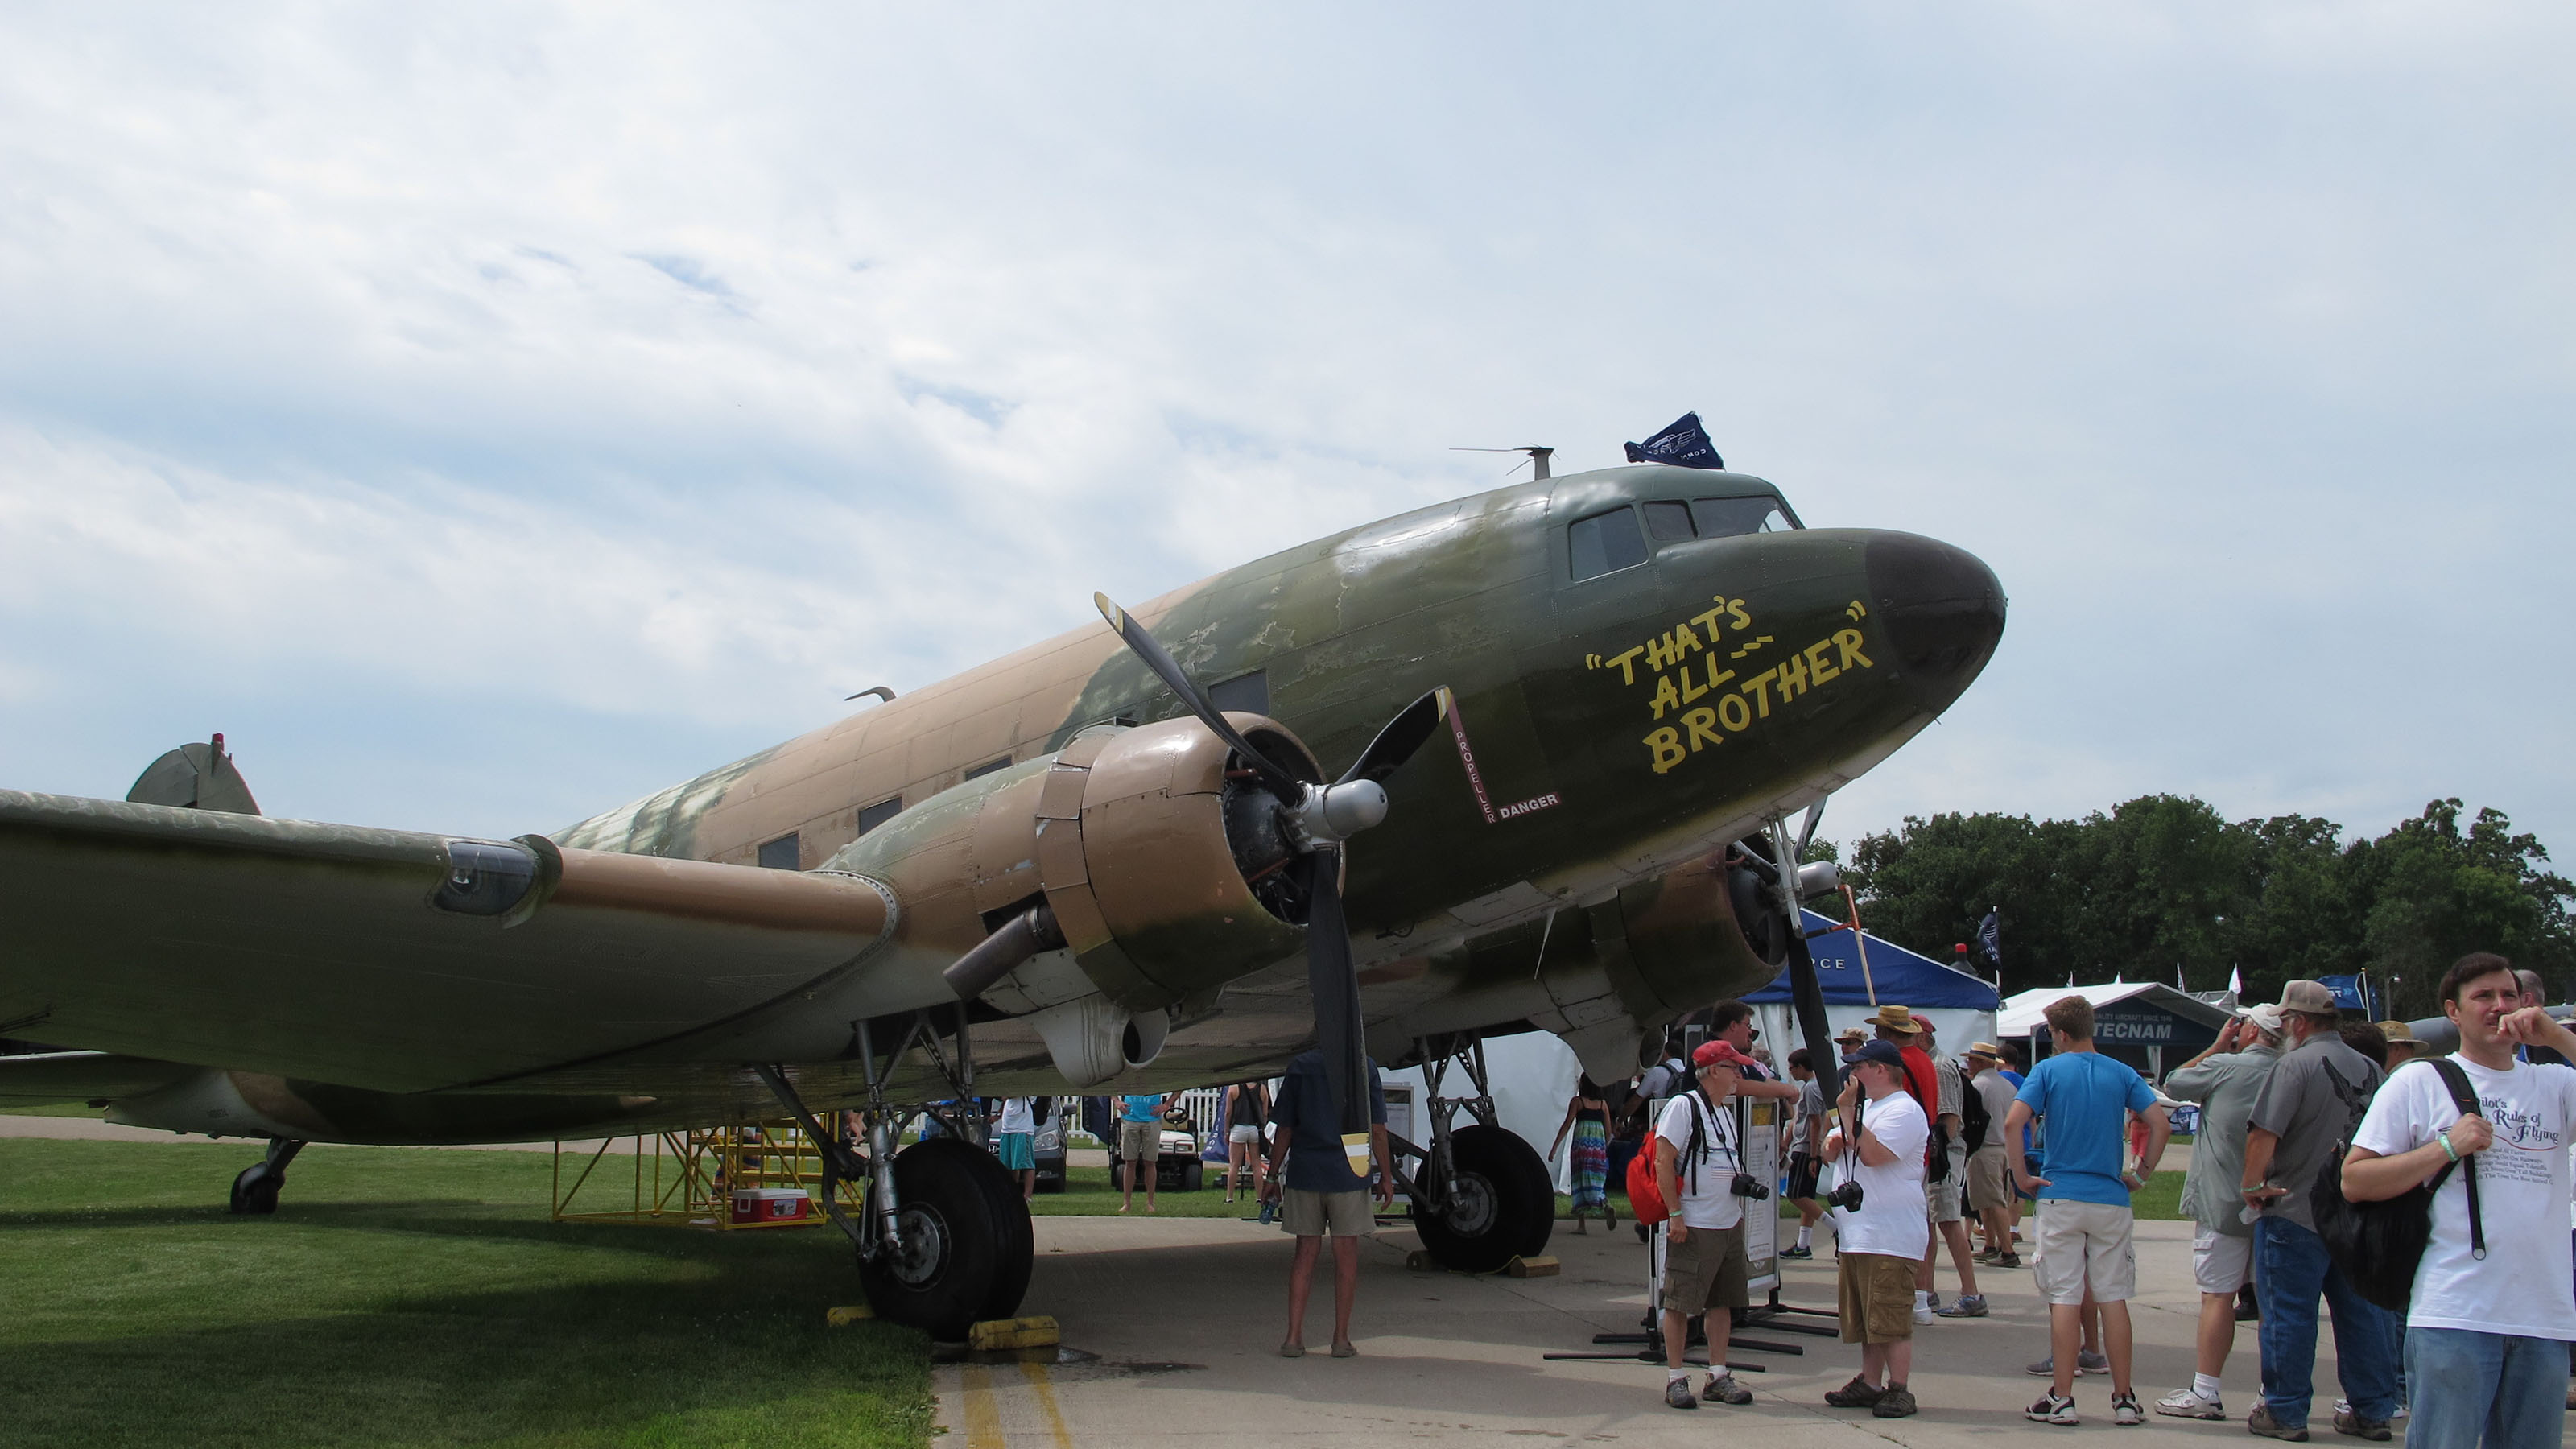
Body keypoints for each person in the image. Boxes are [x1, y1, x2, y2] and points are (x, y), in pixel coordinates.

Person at [2346, 952, 2576, 1446]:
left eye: (2509, 995)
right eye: (2483, 997)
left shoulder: (2554, 1085)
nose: (2499, 1007)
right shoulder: (2420, 1081)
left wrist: (2556, 1037)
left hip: (2543, 1316)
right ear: (2453, 1012)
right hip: (2456, 1312)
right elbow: (2356, 1180)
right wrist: (2446, 1147)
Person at [2239, 979, 2396, 1440]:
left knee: (2289, 1317)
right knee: (2364, 1317)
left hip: (2295, 1212)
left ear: (2301, 1022)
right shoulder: (2371, 1068)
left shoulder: (2294, 1066)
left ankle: (2286, 1411)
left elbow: (2263, 1132)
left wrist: (2252, 1184)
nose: (2285, 1028)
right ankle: (2372, 1410)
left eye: (2287, 1020)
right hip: (2358, 1216)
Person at [2005, 994, 2169, 1427]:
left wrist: (2021, 1176)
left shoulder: (2047, 1070)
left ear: (2060, 1034)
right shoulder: (2122, 1072)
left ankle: (2062, 1397)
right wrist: (2142, 1172)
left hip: (2061, 1194)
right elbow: (2160, 1123)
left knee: (2064, 1296)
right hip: (2109, 1196)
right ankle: (2125, 1397)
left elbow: (2012, 1122)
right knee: (2113, 1296)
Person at [2152, 1003, 2284, 1420]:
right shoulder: (2289, 1072)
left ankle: (2206, 1390)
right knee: (2272, 1305)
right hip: (2276, 1204)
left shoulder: (2226, 1066)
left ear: (2250, 1031)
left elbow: (2174, 1083)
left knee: (2217, 1298)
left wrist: (2216, 1045)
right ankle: (2272, 1393)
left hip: (2222, 1204)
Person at [1818, 1039, 1930, 1419]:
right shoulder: (1871, 1108)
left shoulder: (1904, 1110)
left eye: (1858, 1066)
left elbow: (1875, 1155)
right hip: (1860, 1231)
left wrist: (1848, 1113)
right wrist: (1840, 1131)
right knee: (1867, 1318)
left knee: (1891, 1317)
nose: (1851, 1073)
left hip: (1891, 1233)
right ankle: (1870, 1382)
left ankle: (1899, 1388)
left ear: (1880, 1069)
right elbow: (1832, 1149)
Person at [1264, 1049, 1394, 1358]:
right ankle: (1341, 1338)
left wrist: (1271, 1177)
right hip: (1349, 1172)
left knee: (1305, 1256)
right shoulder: (1365, 1066)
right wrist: (1386, 1175)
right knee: (1346, 1257)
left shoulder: (1299, 1067)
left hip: (1306, 1172)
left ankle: (1293, 1337)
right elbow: (1376, 1129)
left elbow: (1285, 1128)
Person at [1655, 1040, 1761, 1410]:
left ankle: (1718, 1374)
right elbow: (1662, 1160)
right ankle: (1675, 1378)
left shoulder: (1724, 1112)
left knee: (1723, 1303)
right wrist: (1675, 1214)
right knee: (1680, 1303)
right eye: (1733, 1068)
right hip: (1695, 1224)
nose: (1739, 1075)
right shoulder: (1684, 1107)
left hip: (1728, 1223)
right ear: (1713, 1071)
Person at [1918, 1016, 1987, 1318]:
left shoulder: (1940, 1067)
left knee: (1947, 1220)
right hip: (1939, 1156)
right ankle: (1927, 1290)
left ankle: (1971, 1294)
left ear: (1922, 1037)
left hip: (1945, 1156)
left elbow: (1949, 1119)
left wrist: (1937, 1157)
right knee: (1928, 1223)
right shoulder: (1931, 1064)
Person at [1964, 1042, 2022, 1268]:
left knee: (1993, 1201)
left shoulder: (1978, 1086)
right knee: (1987, 1200)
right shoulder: (2008, 1086)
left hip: (1984, 1148)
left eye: (1971, 1059)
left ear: (1980, 1062)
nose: (1969, 1064)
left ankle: (2007, 1251)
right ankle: (1990, 1245)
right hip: (2003, 1147)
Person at [1546, 1075, 1616, 1233]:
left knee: (1579, 1180)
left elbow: (1567, 1124)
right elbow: (1608, 1130)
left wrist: (1555, 1147)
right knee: (1596, 1178)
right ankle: (1603, 1201)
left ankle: (1582, 1224)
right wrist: (1604, 1148)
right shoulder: (1602, 1104)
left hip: (1581, 1146)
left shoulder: (1578, 1102)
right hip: (1598, 1147)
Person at [1783, 1048, 1827, 1258]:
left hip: (1805, 1147)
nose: (1790, 1071)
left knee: (1796, 1194)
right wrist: (1786, 1141)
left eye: (1792, 1067)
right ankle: (1803, 1243)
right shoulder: (1810, 1088)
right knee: (1807, 1195)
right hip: (1801, 1144)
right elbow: (1797, 1119)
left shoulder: (1811, 1089)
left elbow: (1815, 1121)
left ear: (1801, 1067)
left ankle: (1836, 1228)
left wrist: (1813, 1155)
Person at [1117, 1090, 1176, 1214]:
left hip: (1151, 1119)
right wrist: (1116, 1101)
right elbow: (1111, 1081)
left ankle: (1150, 1203)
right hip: (1130, 1118)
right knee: (1130, 1162)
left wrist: (1167, 1105)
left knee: (1150, 1162)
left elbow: (1180, 1086)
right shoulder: (1128, 1071)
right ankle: (1127, 1203)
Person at [1224, 1079, 1272, 1206]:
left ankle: (1230, 1197)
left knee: (1234, 1164)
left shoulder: (1234, 1088)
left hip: (1238, 1127)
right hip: (1254, 1128)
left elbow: (1228, 1112)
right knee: (1256, 1164)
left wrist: (1226, 1131)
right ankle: (1260, 1197)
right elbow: (1265, 1113)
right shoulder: (1262, 1089)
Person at [2512, 968, 2568, 1067]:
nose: (2500, 1005)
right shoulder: (2564, 1033)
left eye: (2509, 996)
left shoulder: (2540, 1040)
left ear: (2526, 999)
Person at [991, 1096, 1038, 1199]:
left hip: (1022, 1127)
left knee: (1026, 1163)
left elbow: (1007, 1095)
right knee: (1009, 1164)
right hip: (1007, 1127)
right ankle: (1012, 1193)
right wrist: (999, 1115)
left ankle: (1027, 1196)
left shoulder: (1025, 1083)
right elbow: (1005, 1100)